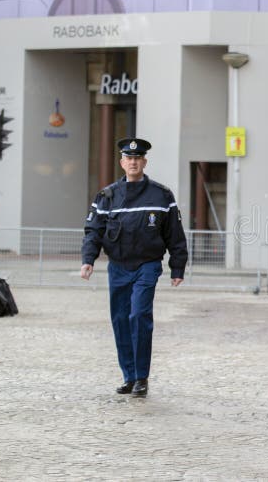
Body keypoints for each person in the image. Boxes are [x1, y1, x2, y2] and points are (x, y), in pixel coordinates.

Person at [80, 138, 188, 398]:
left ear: (144, 162)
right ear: (122, 162)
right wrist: (88, 260)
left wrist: (177, 268)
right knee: (120, 321)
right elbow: (93, 231)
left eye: (138, 158)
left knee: (138, 316)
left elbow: (175, 234)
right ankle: (129, 376)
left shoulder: (162, 196)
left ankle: (142, 377)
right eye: (129, 158)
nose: (133, 162)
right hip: (118, 267)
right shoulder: (107, 196)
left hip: (147, 266)